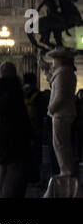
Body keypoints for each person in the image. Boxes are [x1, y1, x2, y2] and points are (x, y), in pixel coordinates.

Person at [0, 61, 33, 197]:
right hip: (14, 135)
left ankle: (0, 194)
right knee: (14, 169)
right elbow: (20, 115)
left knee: (4, 168)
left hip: (1, 133)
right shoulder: (14, 89)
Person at [47, 48, 77, 186]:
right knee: (62, 144)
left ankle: (66, 171)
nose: (53, 62)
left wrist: (51, 109)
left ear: (60, 60)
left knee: (60, 144)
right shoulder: (65, 73)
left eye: (54, 59)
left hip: (61, 114)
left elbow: (60, 96)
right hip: (64, 113)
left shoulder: (63, 73)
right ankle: (66, 170)